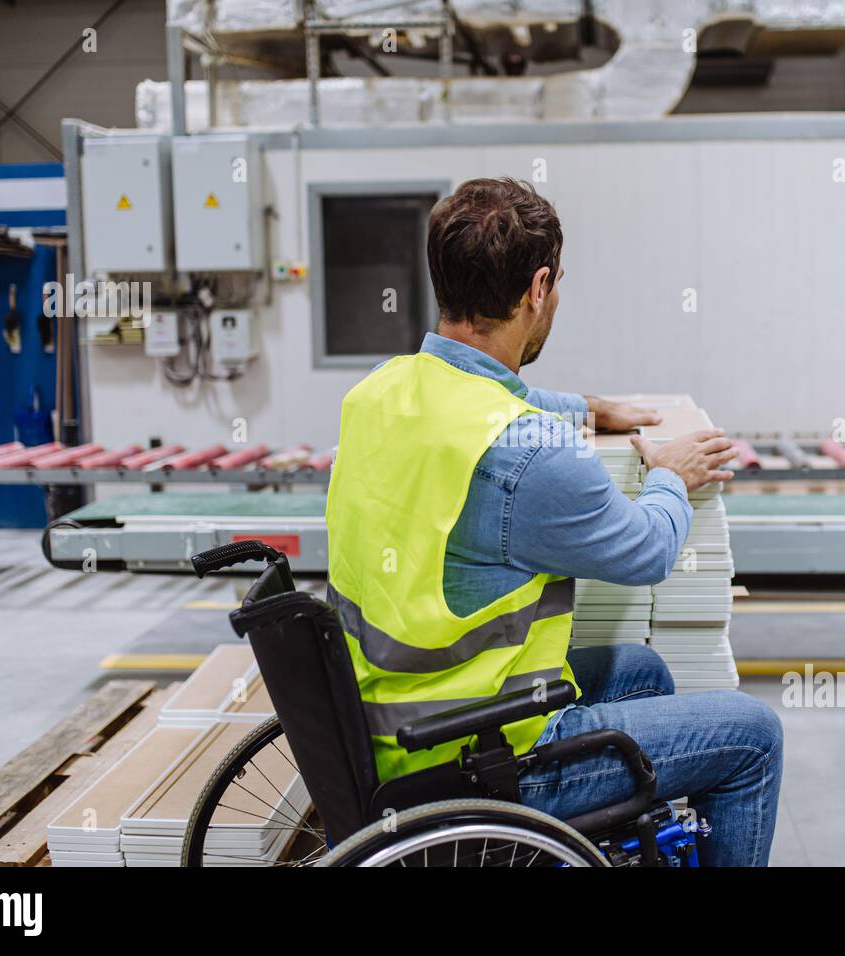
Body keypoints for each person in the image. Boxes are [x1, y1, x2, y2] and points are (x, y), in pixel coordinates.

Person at [325, 177, 782, 866]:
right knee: (755, 737)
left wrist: (590, 408)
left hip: (391, 725)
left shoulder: (379, 393)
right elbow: (648, 549)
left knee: (641, 670)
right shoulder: (534, 456)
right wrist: (670, 474)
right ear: (538, 288)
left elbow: (473, 389)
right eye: (558, 284)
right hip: (483, 761)